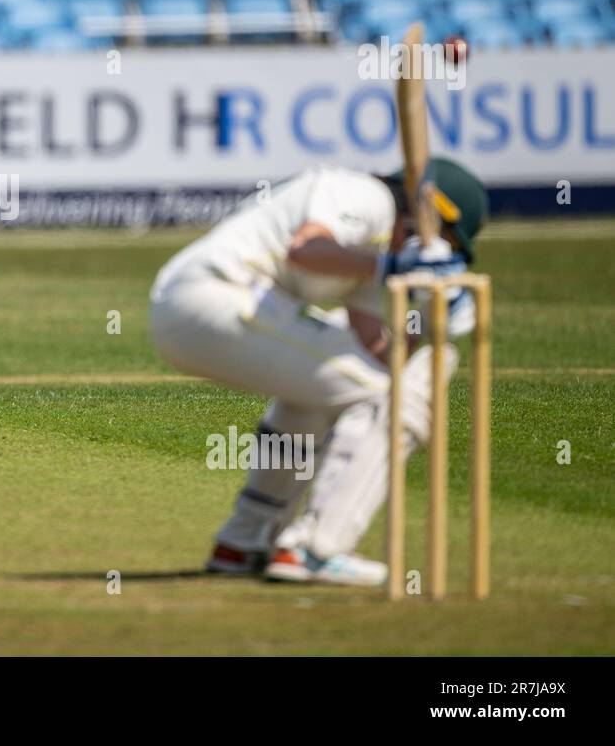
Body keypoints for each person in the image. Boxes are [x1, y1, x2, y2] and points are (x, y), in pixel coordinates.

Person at [148, 158, 488, 585]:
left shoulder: (371, 246)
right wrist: (397, 267)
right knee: (393, 398)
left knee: (331, 387)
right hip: (217, 295)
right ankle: (316, 547)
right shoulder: (365, 195)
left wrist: (427, 319)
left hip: (209, 307)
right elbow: (307, 251)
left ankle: (245, 540)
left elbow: (377, 350)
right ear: (428, 216)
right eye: (447, 243)